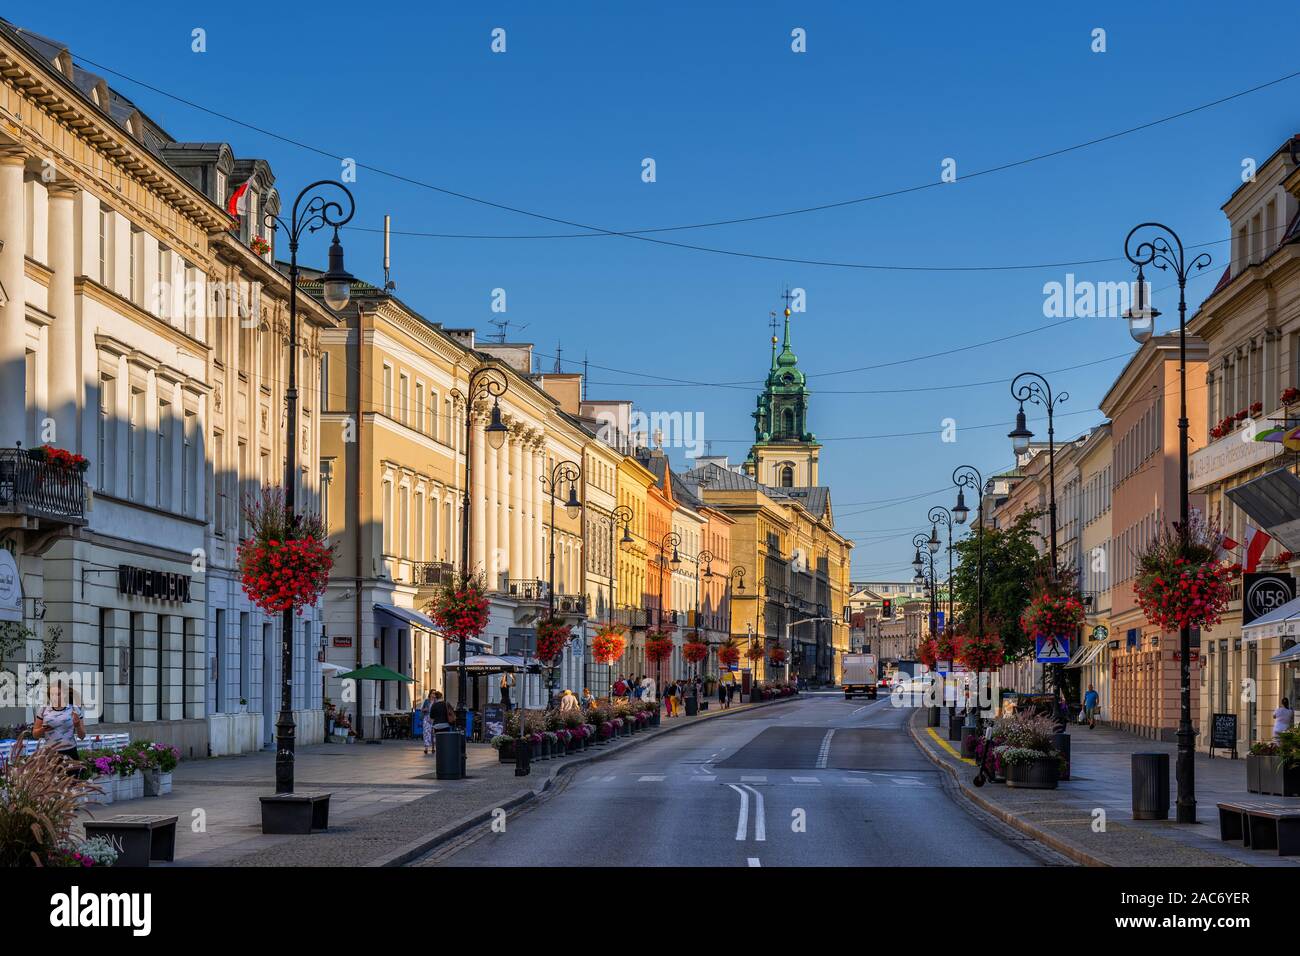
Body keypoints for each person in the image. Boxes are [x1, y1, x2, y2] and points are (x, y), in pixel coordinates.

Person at [33, 682, 84, 772]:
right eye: (52, 694)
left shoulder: (74, 709)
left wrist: (78, 725)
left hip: (70, 753)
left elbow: (82, 736)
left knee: (71, 784)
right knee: (51, 784)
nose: (54, 697)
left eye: (58, 694)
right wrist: (43, 729)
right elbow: (35, 734)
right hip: (50, 754)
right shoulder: (43, 709)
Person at [420, 690, 436, 755]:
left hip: (433, 719)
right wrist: (424, 709)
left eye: (435, 693)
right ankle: (426, 748)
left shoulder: (436, 702)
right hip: (426, 718)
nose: (434, 695)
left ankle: (433, 748)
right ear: (430, 694)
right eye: (433, 693)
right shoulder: (426, 701)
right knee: (426, 733)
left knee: (433, 734)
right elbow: (422, 709)